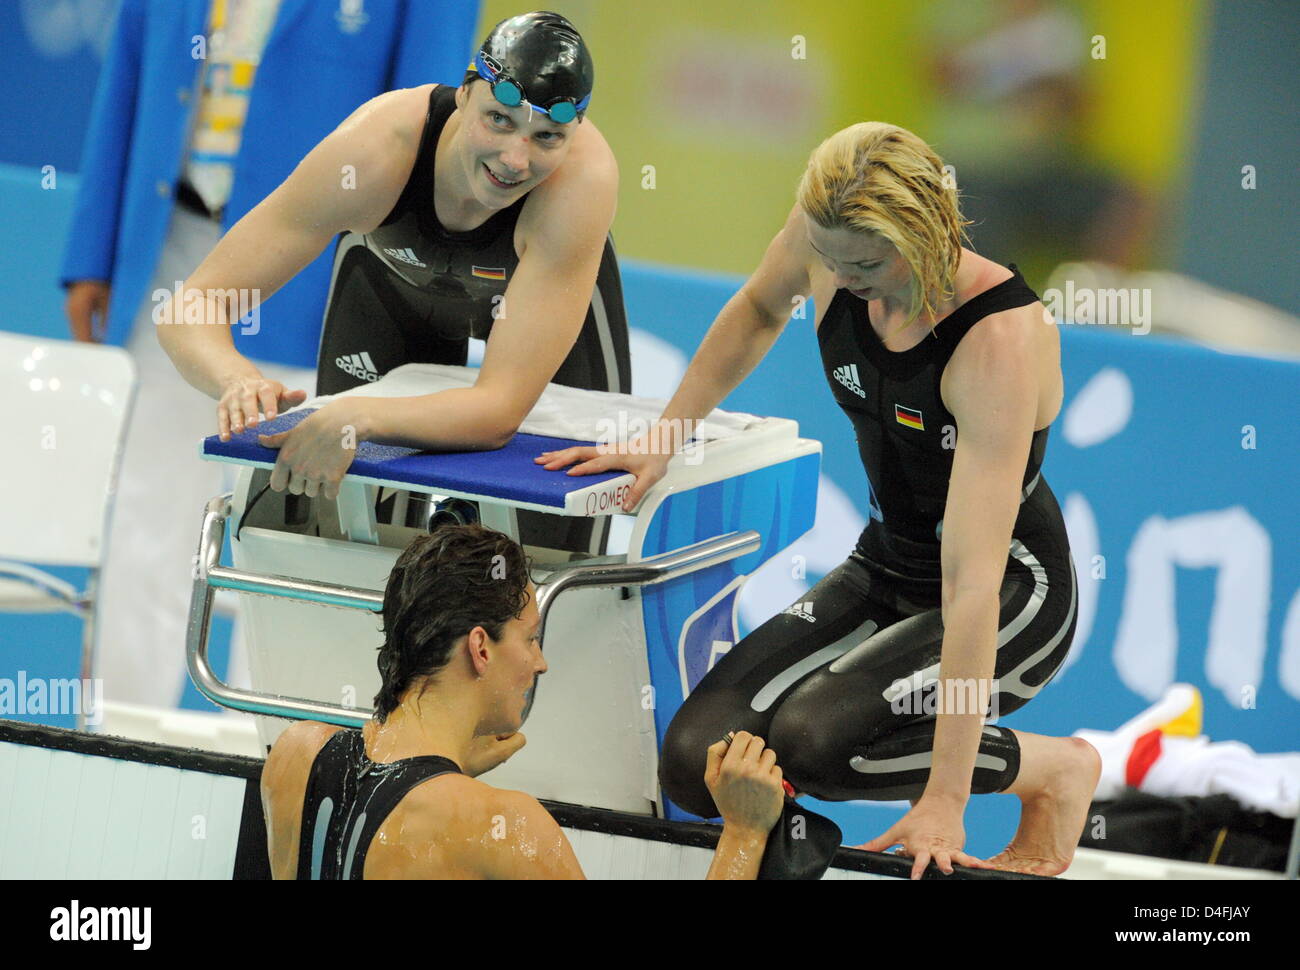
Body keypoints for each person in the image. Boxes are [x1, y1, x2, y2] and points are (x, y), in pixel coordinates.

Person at [538, 122, 1102, 878]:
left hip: (1007, 593)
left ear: (925, 228)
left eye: (865, 263)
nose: (842, 276)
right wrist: (663, 437)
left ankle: (1056, 770)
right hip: (889, 566)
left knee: (820, 744)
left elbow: (970, 590)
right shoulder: (826, 237)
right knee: (694, 759)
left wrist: (947, 798)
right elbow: (758, 309)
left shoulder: (995, 339)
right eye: (829, 258)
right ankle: (792, 848)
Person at [60, 0, 479, 710]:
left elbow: (432, 124)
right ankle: (116, 740)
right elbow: (131, 64)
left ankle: (270, 766)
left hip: (324, 274)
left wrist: (400, 300)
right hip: (174, 244)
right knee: (143, 523)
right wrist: (93, 247)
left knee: (294, 549)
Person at [156, 11, 630, 555]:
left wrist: (358, 415)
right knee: (328, 540)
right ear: (465, 94)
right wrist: (236, 379)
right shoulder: (377, 149)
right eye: (499, 120)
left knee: (549, 564)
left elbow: (498, 412)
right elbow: (189, 308)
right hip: (392, 292)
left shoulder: (581, 183)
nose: (514, 159)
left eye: (547, 137)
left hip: (543, 322)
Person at [260, 525, 785, 879]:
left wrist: (454, 763)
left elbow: (375, 820)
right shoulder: (506, 827)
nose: (540, 663)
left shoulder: (295, 754)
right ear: (481, 648)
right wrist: (743, 831)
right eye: (531, 638)